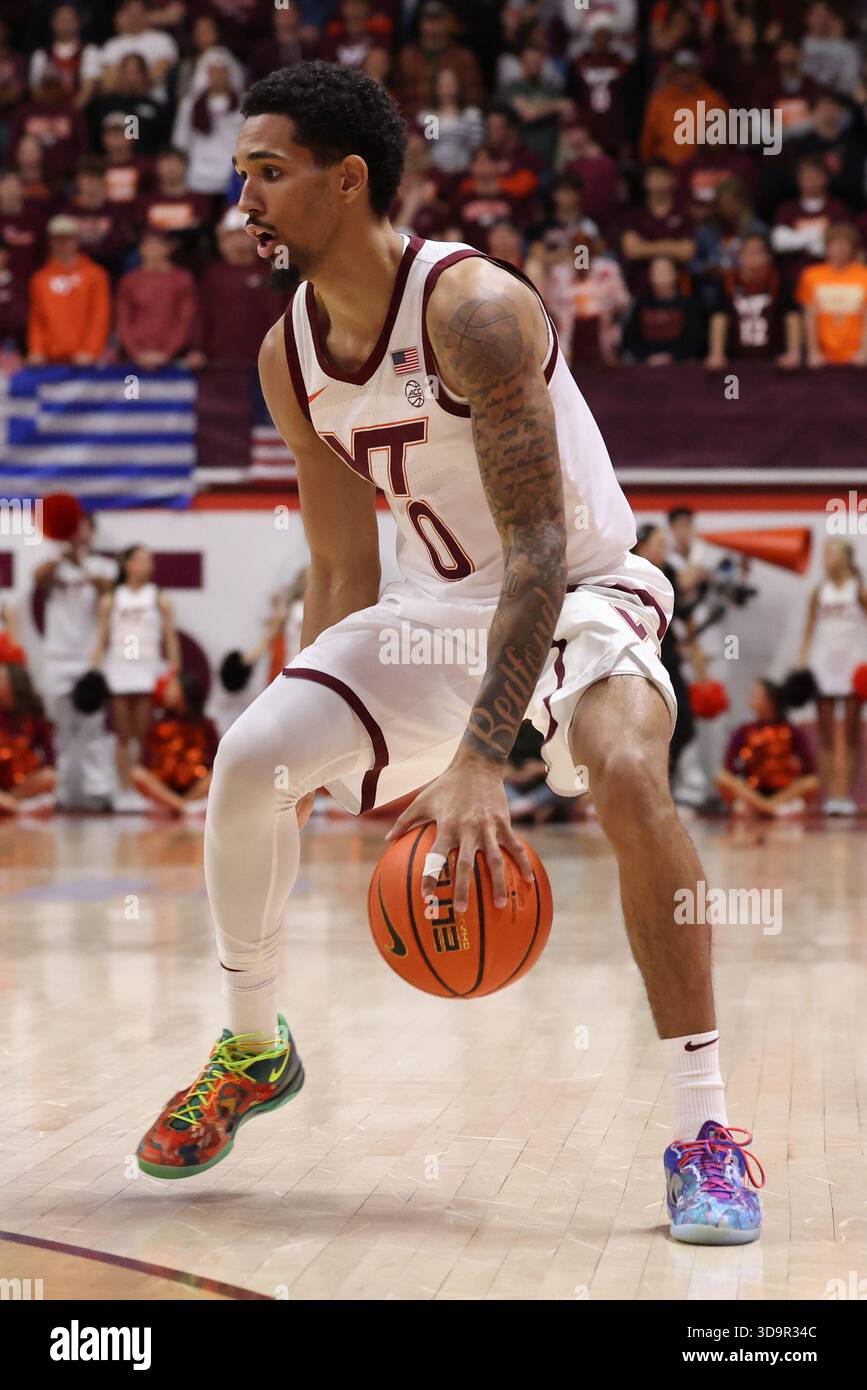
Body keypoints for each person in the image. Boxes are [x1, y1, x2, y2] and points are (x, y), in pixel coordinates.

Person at [135, 60, 765, 1248]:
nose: (244, 202)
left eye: (268, 173)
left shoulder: (476, 309)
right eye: (239, 176)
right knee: (253, 753)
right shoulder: (289, 356)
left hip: (578, 591)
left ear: (349, 180)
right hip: (434, 611)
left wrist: (479, 757)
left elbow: (535, 552)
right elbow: (340, 569)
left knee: (626, 773)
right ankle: (254, 1048)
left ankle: (705, 1130)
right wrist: (331, 735)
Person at [33, 512, 117, 812]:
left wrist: (78, 560)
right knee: (60, 728)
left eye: (82, 529)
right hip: (57, 657)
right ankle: (61, 793)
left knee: (94, 727)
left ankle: (99, 791)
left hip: (88, 659)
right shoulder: (53, 563)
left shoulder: (102, 566)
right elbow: (38, 578)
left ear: (91, 533)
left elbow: (107, 588)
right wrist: (61, 554)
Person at [92, 545, 180, 809]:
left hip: (146, 667)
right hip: (119, 668)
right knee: (122, 732)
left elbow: (170, 637)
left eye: (149, 560)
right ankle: (123, 789)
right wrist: (93, 671)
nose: (146, 565)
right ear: (127, 564)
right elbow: (101, 638)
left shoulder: (158, 598)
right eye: (141, 559)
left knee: (142, 732)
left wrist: (174, 671)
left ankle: (141, 788)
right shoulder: (112, 599)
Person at [798, 539, 867, 815]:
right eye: (825, 554)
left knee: (851, 732)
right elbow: (808, 631)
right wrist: (802, 663)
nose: (827, 559)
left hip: (852, 665)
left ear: (845, 558)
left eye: (832, 554)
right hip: (823, 665)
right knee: (825, 732)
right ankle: (830, 796)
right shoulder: (819, 592)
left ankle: (845, 794)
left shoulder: (858, 590)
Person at [717, 679, 819, 818]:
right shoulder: (744, 730)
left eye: (755, 695)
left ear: (769, 700)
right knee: (722, 778)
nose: (750, 699)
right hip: (753, 792)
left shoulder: (792, 731)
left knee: (811, 782)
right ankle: (768, 808)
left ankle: (766, 807)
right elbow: (729, 768)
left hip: (784, 793)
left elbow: (809, 769)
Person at [27, 215, 111, 366]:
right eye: (57, 239)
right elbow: (37, 319)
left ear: (77, 240)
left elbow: (100, 315)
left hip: (87, 360)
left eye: (67, 239)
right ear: (50, 242)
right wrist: (37, 349)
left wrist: (91, 350)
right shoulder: (40, 278)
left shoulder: (96, 275)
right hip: (50, 359)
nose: (62, 244)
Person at [130, 672, 218, 816]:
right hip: (165, 788)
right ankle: (183, 807)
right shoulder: (157, 725)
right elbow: (145, 764)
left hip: (196, 786)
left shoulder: (205, 725)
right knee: (137, 774)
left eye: (172, 687)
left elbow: (216, 760)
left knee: (216, 773)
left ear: (185, 692)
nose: (166, 691)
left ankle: (182, 805)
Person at [797, 224, 867, 368]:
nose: (840, 249)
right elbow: (809, 316)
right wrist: (813, 352)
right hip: (823, 355)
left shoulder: (864, 275)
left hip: (856, 355)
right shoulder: (811, 275)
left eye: (845, 244)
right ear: (826, 247)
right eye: (835, 244)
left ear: (853, 248)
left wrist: (864, 352)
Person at [0, 661, 57, 816]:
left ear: (14, 684)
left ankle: (12, 803)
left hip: (21, 786)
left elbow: (51, 757)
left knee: (50, 777)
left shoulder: (34, 715)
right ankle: (19, 808)